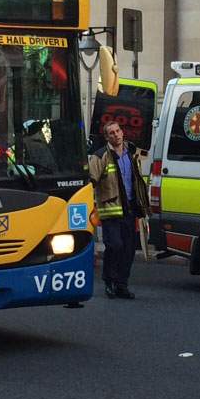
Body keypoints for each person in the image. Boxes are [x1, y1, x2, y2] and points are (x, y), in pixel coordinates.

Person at [88, 118, 148, 299]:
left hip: (129, 208)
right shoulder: (100, 156)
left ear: (122, 132)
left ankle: (122, 285)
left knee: (128, 249)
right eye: (111, 133)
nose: (116, 134)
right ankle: (109, 282)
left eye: (118, 131)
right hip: (110, 210)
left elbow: (137, 179)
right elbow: (91, 181)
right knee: (114, 246)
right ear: (107, 137)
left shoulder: (131, 153)